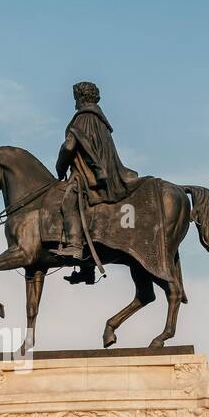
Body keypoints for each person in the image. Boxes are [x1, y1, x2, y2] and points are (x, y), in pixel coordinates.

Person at [53, 80, 138, 284]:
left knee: (68, 202)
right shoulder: (99, 119)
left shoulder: (83, 118)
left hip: (89, 174)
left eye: (75, 98)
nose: (74, 103)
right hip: (105, 172)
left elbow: (69, 146)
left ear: (81, 98)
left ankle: (73, 245)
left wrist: (60, 167)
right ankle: (87, 269)